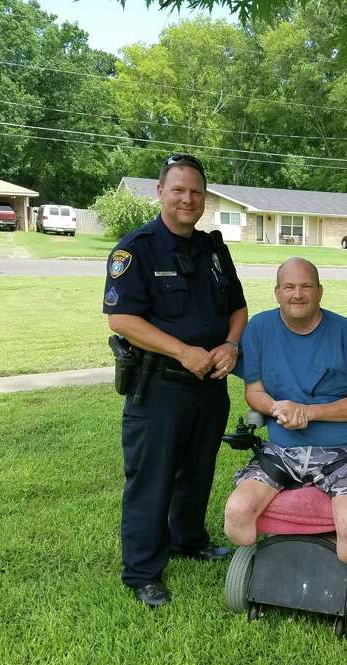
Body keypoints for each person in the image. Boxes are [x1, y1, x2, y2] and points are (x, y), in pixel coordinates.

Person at [102, 154, 248, 608]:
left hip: (210, 386)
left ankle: (189, 539)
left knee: (198, 470)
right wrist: (182, 351)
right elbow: (121, 319)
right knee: (152, 478)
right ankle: (143, 571)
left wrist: (231, 346)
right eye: (179, 190)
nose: (188, 198)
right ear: (160, 193)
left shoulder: (213, 249)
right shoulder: (137, 249)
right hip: (160, 387)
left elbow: (238, 309)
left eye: (196, 191)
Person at [224, 258, 347, 565]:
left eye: (306, 286)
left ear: (320, 291)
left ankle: (343, 579)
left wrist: (308, 412)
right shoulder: (259, 328)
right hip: (284, 450)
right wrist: (277, 408)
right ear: (277, 292)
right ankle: (276, 568)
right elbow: (253, 391)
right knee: (236, 514)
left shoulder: (345, 331)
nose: (297, 294)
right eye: (289, 287)